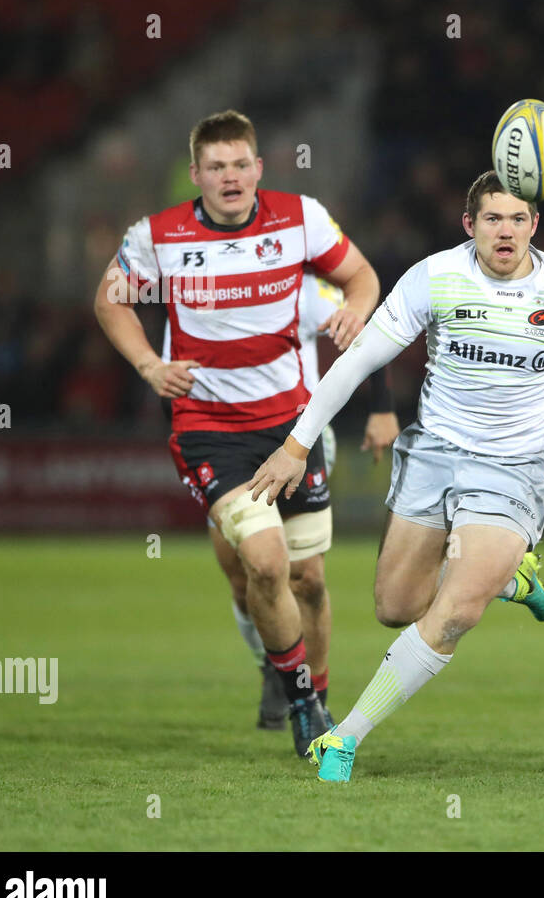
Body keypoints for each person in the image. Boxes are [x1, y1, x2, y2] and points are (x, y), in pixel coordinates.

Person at [248, 171, 544, 783]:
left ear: (535, 226)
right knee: (394, 607)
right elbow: (357, 362)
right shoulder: (435, 276)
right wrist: (295, 447)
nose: (504, 231)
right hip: (433, 455)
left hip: (513, 472)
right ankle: (511, 580)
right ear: (469, 226)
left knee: (455, 612)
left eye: (517, 219)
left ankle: (344, 738)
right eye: (491, 219)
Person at [93, 109, 381, 757]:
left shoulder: (300, 217)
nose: (230, 177)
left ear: (259, 168)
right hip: (211, 432)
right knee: (264, 563)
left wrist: (356, 312)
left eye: (240, 164)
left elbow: (361, 277)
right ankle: (302, 702)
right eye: (216, 166)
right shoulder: (158, 236)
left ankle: (317, 690)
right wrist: (149, 364)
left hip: (291, 430)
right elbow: (110, 299)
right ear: (195, 174)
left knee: (307, 577)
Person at [166, 271, 401, 731]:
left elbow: (369, 331)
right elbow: (170, 377)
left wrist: (383, 405)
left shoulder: (299, 284)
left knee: (307, 577)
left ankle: (313, 701)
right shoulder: (190, 291)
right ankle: (272, 666)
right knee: (246, 578)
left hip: (296, 439)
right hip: (222, 446)